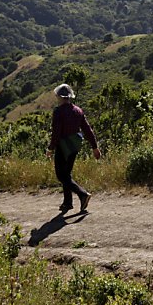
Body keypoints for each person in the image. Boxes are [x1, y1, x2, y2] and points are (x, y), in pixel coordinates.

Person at [46, 83, 101, 212]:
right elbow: (87, 130)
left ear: (60, 97)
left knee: (61, 176)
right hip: (74, 146)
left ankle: (82, 194)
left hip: (62, 146)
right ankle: (67, 203)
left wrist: (50, 148)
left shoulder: (58, 112)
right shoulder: (78, 110)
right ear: (69, 96)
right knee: (67, 174)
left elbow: (56, 133)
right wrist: (95, 147)